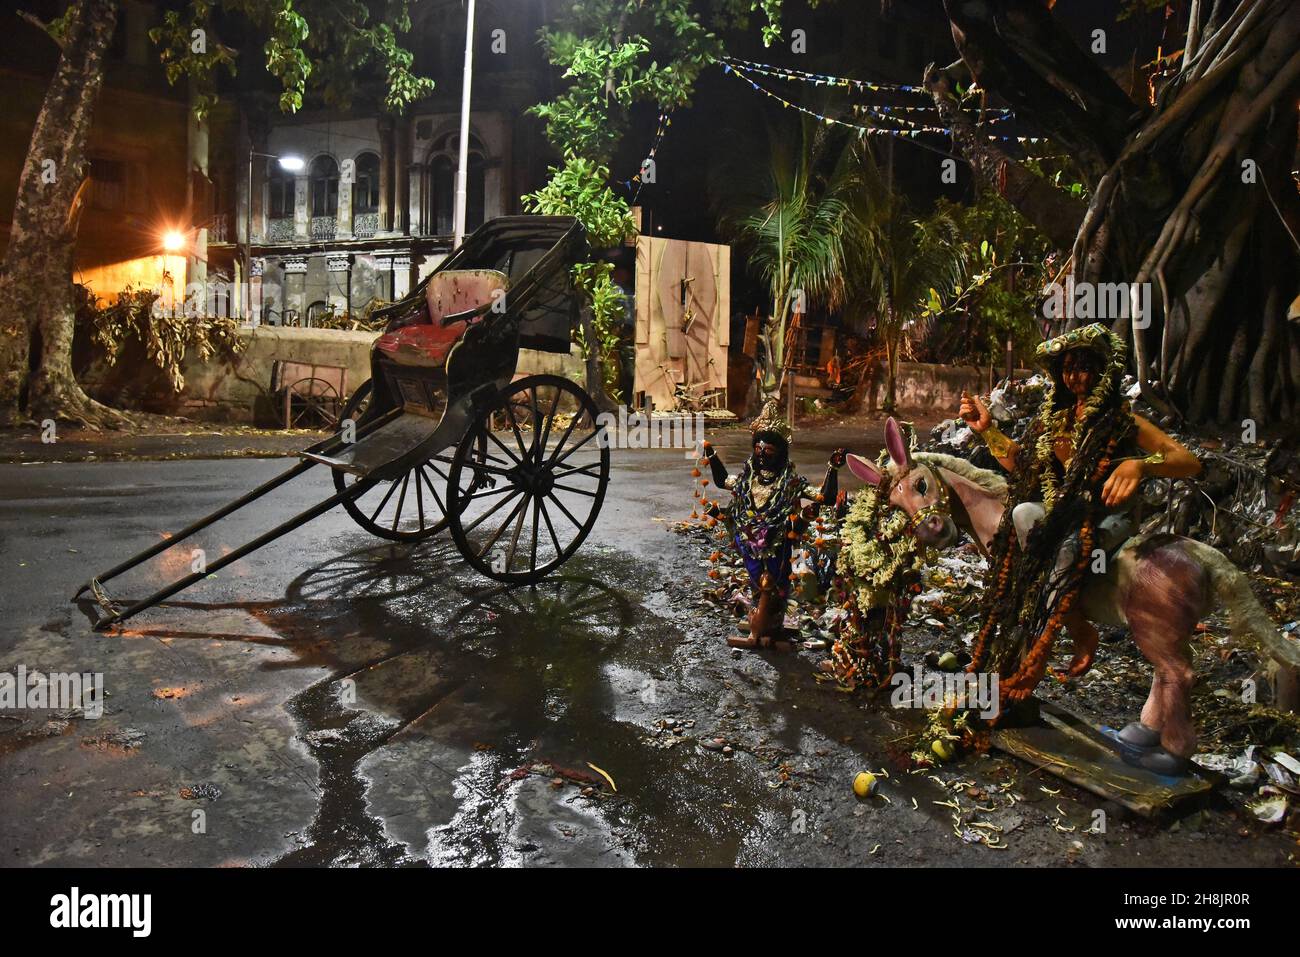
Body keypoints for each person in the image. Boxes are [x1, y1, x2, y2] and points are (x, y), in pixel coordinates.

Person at [958, 323, 1201, 699]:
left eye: (1086, 367)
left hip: (1105, 517)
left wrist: (1140, 466)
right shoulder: (1053, 421)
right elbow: (1024, 466)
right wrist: (986, 430)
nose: (1076, 377)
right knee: (1023, 513)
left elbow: (1187, 461)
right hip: (1059, 511)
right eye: (1069, 368)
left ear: (1105, 373)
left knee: (1068, 548)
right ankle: (1070, 623)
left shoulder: (1122, 421)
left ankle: (1063, 641)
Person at [704, 398, 846, 649]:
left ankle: (773, 624)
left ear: (779, 452)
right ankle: (758, 621)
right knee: (757, 582)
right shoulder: (747, 479)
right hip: (749, 541)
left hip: (780, 541)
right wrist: (712, 456)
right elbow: (722, 481)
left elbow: (825, 496)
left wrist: (832, 469)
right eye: (758, 449)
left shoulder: (791, 482)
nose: (761, 455)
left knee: (778, 583)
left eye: (768, 451)